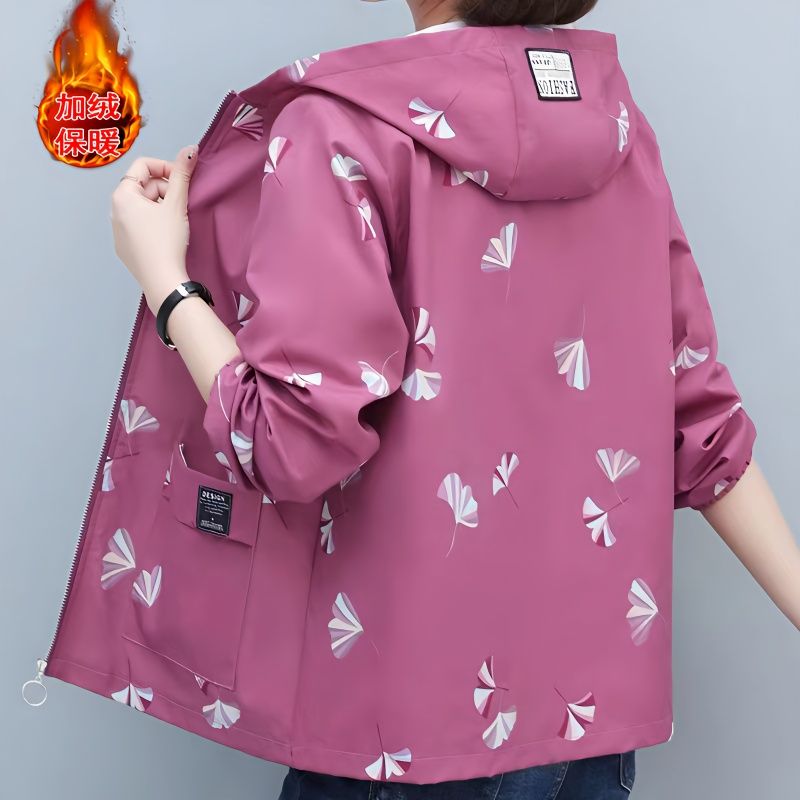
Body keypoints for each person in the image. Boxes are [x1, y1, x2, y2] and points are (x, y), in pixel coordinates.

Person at [103, 1, 800, 798]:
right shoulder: (616, 131)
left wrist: (167, 283)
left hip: (402, 742)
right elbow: (701, 424)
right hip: (588, 736)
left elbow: (289, 444)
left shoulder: (343, 130)